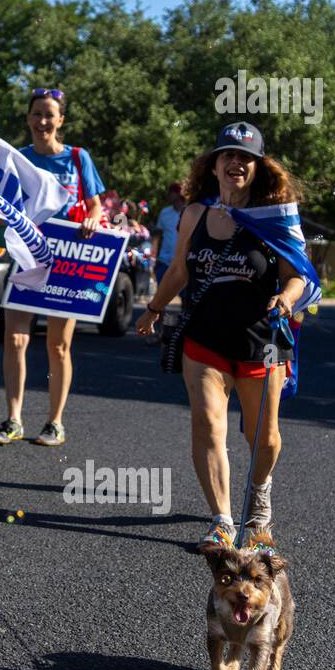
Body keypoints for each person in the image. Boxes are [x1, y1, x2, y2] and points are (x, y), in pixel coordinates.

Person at [135, 122, 307, 551]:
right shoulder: (194, 215)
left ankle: (260, 499)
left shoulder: (276, 216)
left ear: (258, 168)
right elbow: (179, 271)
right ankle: (223, 520)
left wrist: (286, 299)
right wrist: (154, 309)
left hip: (261, 343)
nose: (236, 162)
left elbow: (297, 277)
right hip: (204, 340)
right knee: (208, 425)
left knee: (262, 436)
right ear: (213, 165)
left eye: (245, 157)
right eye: (228, 154)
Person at [0, 87, 104, 447]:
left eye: (49, 115)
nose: (42, 121)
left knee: (58, 347)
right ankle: (13, 419)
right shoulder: (16, 158)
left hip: (66, 265)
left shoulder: (77, 158)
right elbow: (1, 204)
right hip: (25, 259)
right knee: (16, 339)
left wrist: (92, 221)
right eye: (36, 114)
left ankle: (54, 423)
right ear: (28, 118)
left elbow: (95, 205)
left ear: (60, 120)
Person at [151, 182, 185, 289]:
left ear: (178, 194)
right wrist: (155, 259)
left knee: (185, 298)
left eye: (171, 193)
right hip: (164, 260)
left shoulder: (190, 212)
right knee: (160, 293)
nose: (168, 195)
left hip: (182, 262)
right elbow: (158, 237)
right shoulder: (164, 212)